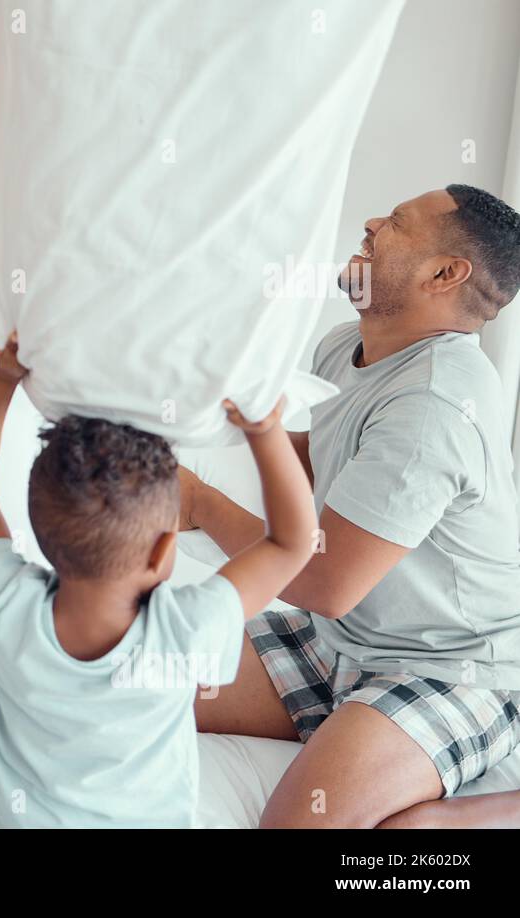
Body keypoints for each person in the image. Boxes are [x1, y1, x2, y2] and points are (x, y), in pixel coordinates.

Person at [185, 185, 520, 827]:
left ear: (446, 274)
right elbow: (328, 455)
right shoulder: (347, 345)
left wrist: (200, 503)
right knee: (117, 684)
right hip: (339, 643)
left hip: (450, 668)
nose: (371, 222)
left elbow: (324, 580)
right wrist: (208, 430)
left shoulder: (435, 405)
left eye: (395, 223)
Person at [0, 334, 315, 827]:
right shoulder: (186, 630)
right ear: (166, 549)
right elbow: (292, 543)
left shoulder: (4, 599)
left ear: (39, 531)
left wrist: (4, 378)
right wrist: (264, 427)